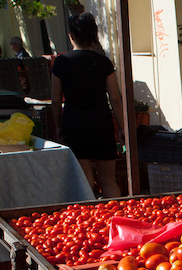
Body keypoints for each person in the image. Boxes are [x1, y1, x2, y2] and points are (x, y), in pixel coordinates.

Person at [50, 12, 125, 199]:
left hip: (74, 123)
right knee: (109, 180)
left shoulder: (61, 63)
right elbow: (115, 98)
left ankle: (90, 223)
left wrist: (59, 126)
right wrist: (123, 127)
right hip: (101, 123)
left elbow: (56, 100)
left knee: (85, 181)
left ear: (71, 36)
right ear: (94, 35)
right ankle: (116, 218)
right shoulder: (103, 63)